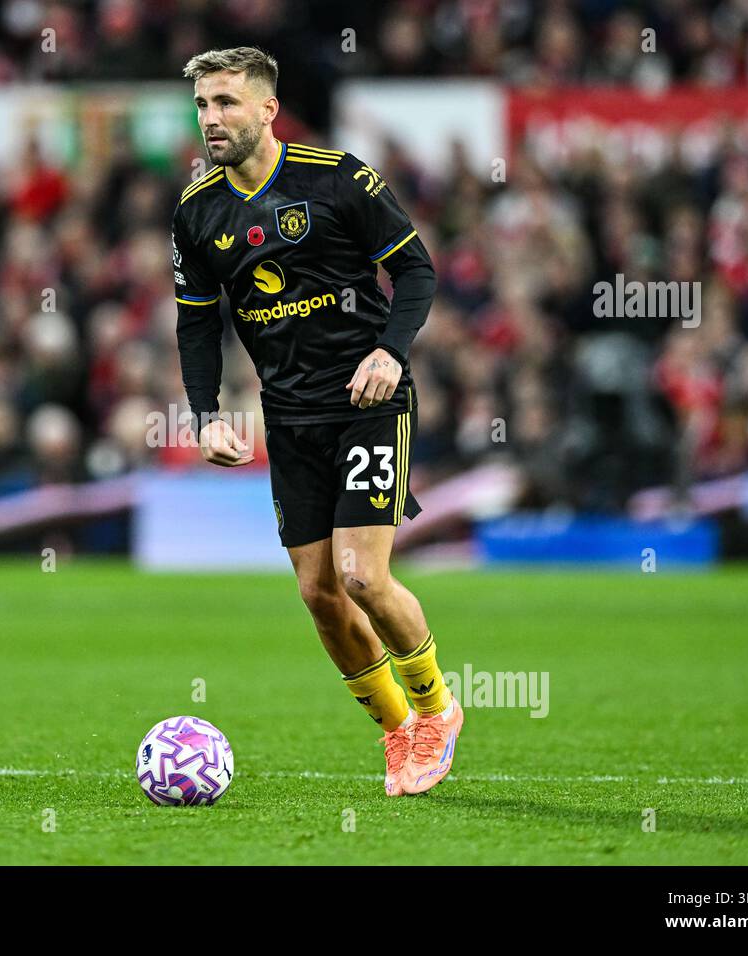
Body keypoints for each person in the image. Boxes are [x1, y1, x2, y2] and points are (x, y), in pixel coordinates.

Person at [172, 46, 461, 796]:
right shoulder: (197, 213)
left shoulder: (337, 177)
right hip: (289, 417)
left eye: (226, 102)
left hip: (368, 401)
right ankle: (398, 731)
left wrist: (392, 354)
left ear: (268, 108)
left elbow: (418, 270)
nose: (212, 118)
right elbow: (197, 324)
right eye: (203, 104)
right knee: (318, 593)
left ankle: (436, 710)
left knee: (362, 575)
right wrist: (205, 415)